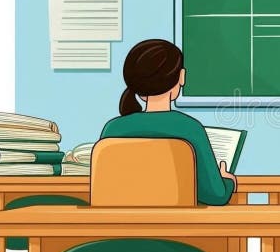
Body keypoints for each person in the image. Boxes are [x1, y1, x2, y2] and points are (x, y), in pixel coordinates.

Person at [100, 39, 236, 205]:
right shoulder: (189, 129)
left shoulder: (112, 130)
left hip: (123, 226)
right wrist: (228, 181)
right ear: (182, 77)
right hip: (179, 228)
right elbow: (216, 196)